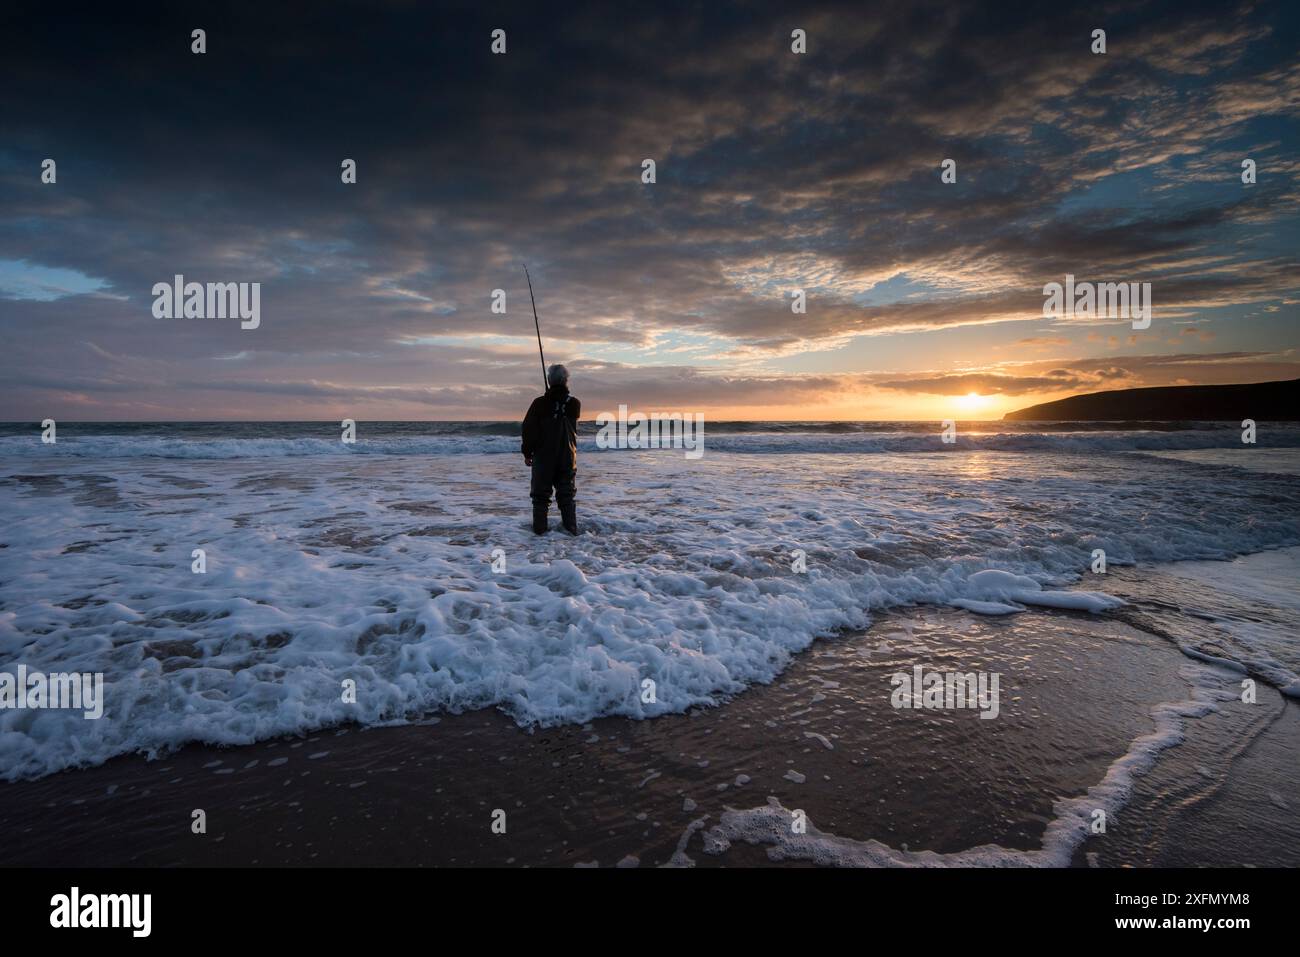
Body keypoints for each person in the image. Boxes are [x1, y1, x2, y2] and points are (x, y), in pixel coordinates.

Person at [521, 364, 580, 534]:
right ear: (566, 381)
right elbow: (563, 409)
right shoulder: (574, 404)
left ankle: (539, 534)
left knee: (540, 497)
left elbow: (528, 428)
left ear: (549, 380)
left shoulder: (540, 403)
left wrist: (527, 452)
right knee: (567, 496)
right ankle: (571, 532)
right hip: (568, 457)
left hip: (543, 457)